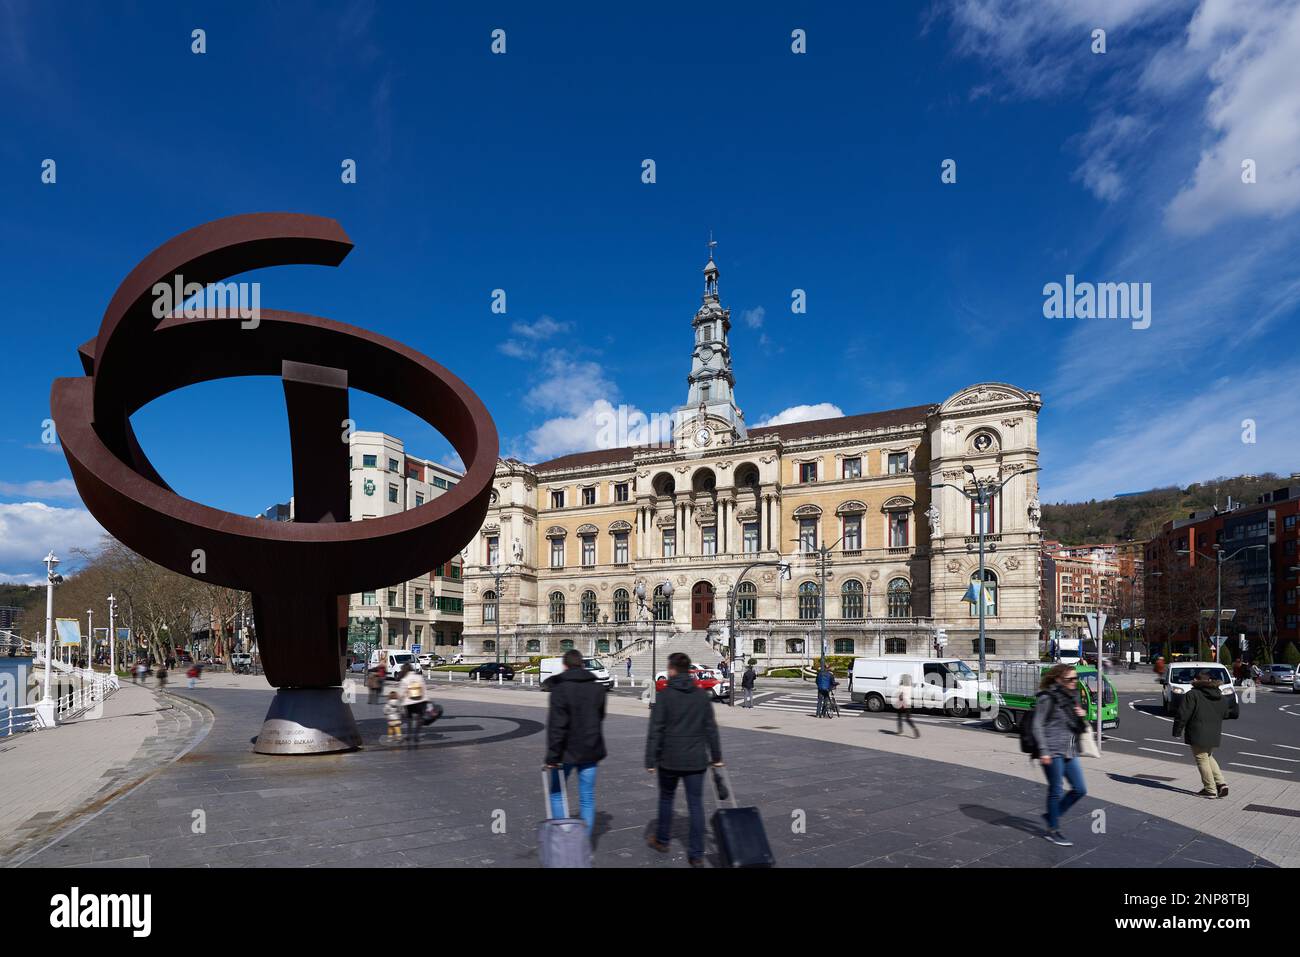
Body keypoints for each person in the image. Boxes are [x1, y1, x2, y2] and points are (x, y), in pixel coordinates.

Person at [645, 652, 722, 867]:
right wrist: (716, 756)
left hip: (669, 759)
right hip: (696, 760)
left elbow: (655, 730)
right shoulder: (700, 696)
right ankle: (696, 854)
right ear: (688, 670)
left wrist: (650, 760)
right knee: (696, 805)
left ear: (671, 670)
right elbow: (711, 729)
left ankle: (662, 840)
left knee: (666, 799)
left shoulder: (666, 695)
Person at [544, 648, 608, 835]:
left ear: (565, 666)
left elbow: (556, 726)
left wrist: (551, 757)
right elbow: (600, 716)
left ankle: (564, 837)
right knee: (587, 797)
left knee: (557, 793)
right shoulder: (598, 688)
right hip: (590, 748)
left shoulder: (560, 689)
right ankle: (583, 843)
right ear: (582, 664)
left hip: (565, 752)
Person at [1029, 664, 1088, 846]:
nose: (1074, 682)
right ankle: (1053, 829)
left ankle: (1051, 815)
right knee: (1056, 789)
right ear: (1058, 679)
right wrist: (1044, 751)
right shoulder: (1047, 698)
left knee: (1080, 789)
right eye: (1070, 679)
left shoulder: (1072, 697)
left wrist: (1081, 715)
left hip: (1070, 750)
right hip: (1052, 750)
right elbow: (1037, 725)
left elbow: (1076, 725)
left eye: (1075, 678)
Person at [1172, 672, 1230, 798]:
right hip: (1214, 731)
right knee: (1208, 756)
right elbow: (1226, 713)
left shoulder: (1193, 694)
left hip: (1197, 731)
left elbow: (1183, 714)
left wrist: (1177, 731)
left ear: (1196, 680)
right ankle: (1221, 784)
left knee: (1201, 758)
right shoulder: (1219, 694)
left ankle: (1210, 789)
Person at [398, 663, 428, 747]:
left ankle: (409, 735)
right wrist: (426, 699)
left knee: (409, 720)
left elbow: (402, 693)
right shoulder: (419, 677)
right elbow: (424, 689)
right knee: (419, 719)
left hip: (409, 702)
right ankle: (416, 735)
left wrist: (400, 703)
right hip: (420, 701)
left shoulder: (405, 679)